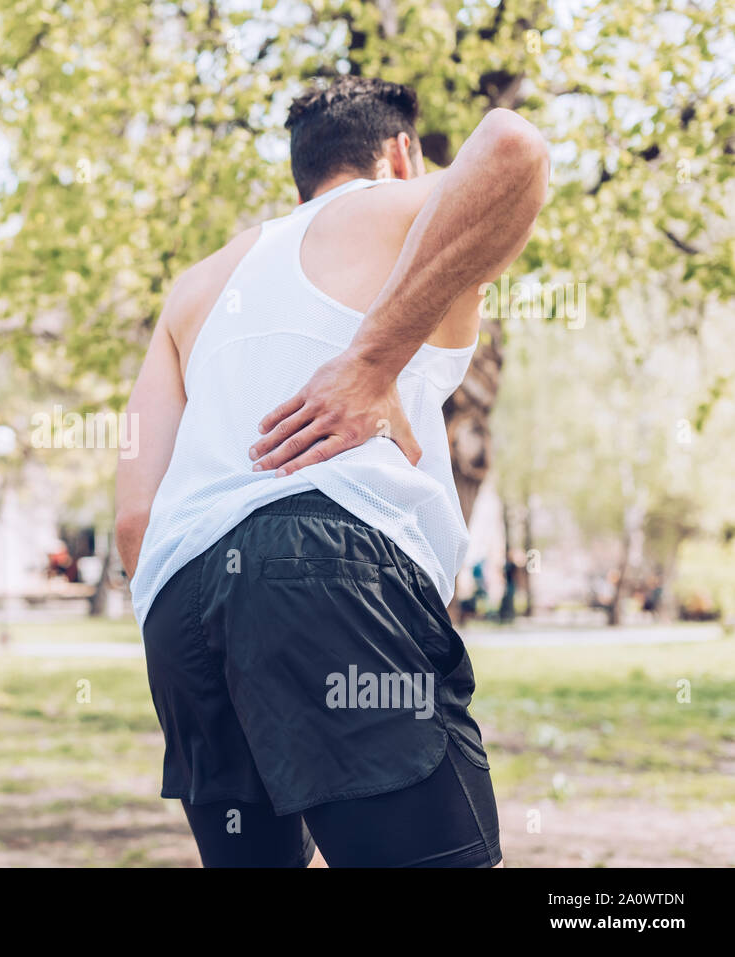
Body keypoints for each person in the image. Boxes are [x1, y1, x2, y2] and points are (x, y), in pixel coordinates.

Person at [116, 77, 547, 867]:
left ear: (301, 170)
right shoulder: (398, 207)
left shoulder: (194, 289)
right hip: (321, 568)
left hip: (178, 613)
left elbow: (132, 522)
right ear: (401, 153)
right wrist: (370, 364)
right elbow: (515, 147)